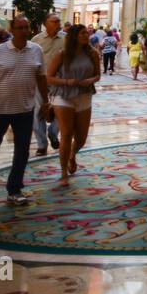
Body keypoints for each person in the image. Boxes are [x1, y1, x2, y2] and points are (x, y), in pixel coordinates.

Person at [0, 14, 48, 205]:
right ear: (12, 30)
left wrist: (46, 102)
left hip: (24, 109)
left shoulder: (36, 50)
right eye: (20, 28)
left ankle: (14, 189)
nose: (24, 31)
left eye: (26, 27)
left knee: (22, 150)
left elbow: (41, 78)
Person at [46, 24, 101, 183]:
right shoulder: (62, 54)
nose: (86, 35)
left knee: (81, 138)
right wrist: (67, 81)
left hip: (84, 96)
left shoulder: (93, 54)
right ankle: (63, 172)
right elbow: (49, 77)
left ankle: (72, 155)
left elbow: (97, 75)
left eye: (87, 33)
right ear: (74, 36)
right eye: (83, 33)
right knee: (67, 133)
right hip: (63, 95)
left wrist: (89, 80)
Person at [30, 13, 64, 155]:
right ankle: (42, 144)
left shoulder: (66, 39)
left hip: (60, 80)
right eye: (54, 21)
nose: (58, 23)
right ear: (45, 24)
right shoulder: (36, 40)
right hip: (40, 80)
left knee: (61, 108)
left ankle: (53, 132)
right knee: (38, 111)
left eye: (58, 21)